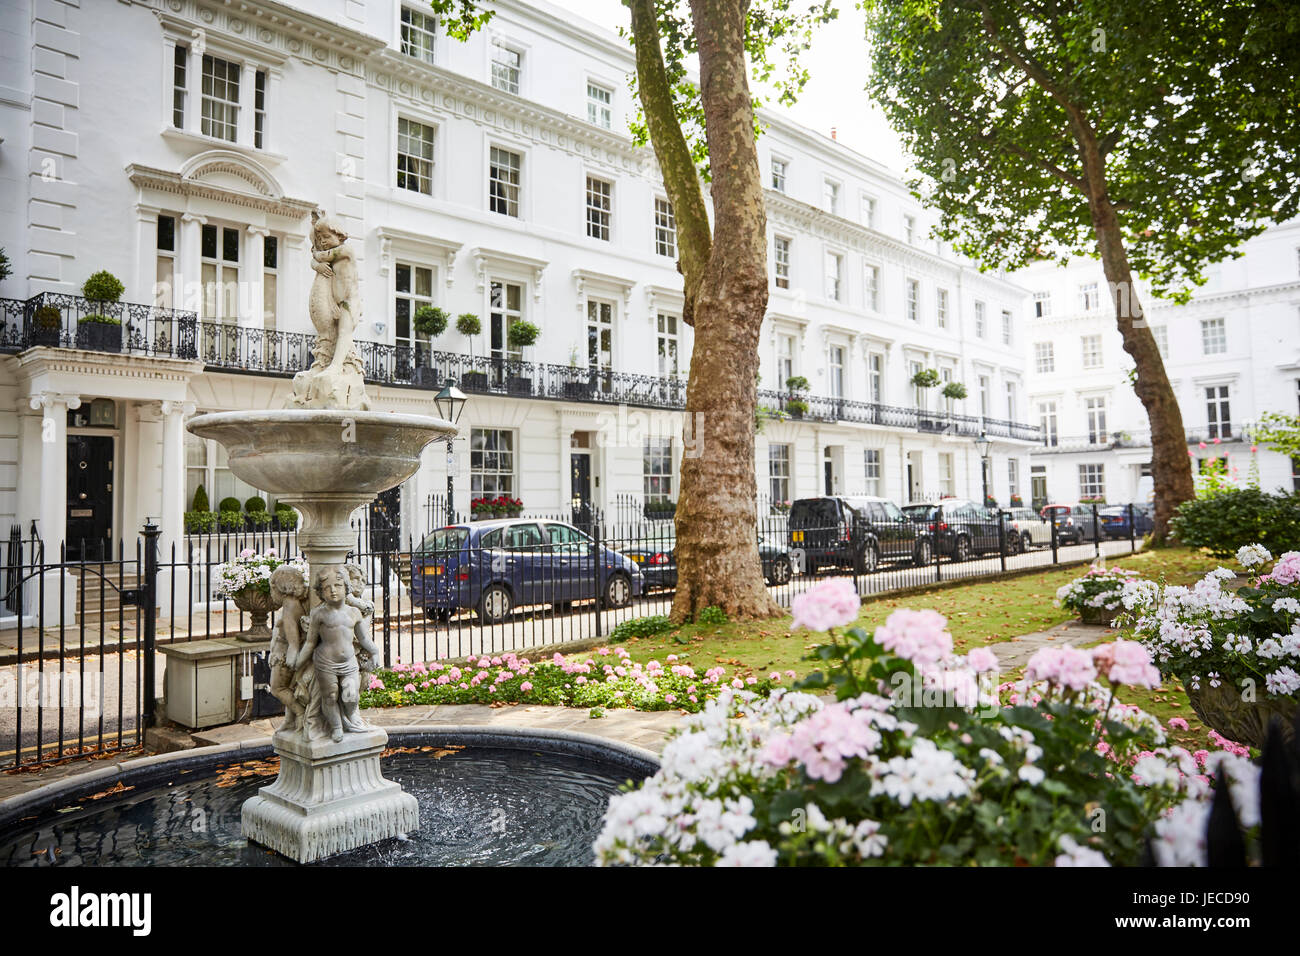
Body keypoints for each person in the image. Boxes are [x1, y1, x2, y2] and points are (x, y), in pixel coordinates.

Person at [295, 566, 382, 742]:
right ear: (321, 592)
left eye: (338, 586)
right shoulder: (319, 614)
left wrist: (375, 652)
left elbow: (363, 638)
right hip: (325, 663)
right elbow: (311, 642)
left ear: (346, 588)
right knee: (330, 696)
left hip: (349, 662)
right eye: (327, 588)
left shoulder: (354, 612)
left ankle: (351, 718)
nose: (333, 591)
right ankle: (336, 727)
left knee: (351, 695)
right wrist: (299, 662)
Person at [267, 565, 310, 732]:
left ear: (282, 588)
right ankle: (289, 720)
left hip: (284, 654)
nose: (272, 594)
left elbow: (293, 641)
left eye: (272, 589)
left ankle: (300, 713)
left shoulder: (289, 606)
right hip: (281, 651)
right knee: (288, 689)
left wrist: (292, 661)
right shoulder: (293, 603)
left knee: (277, 689)